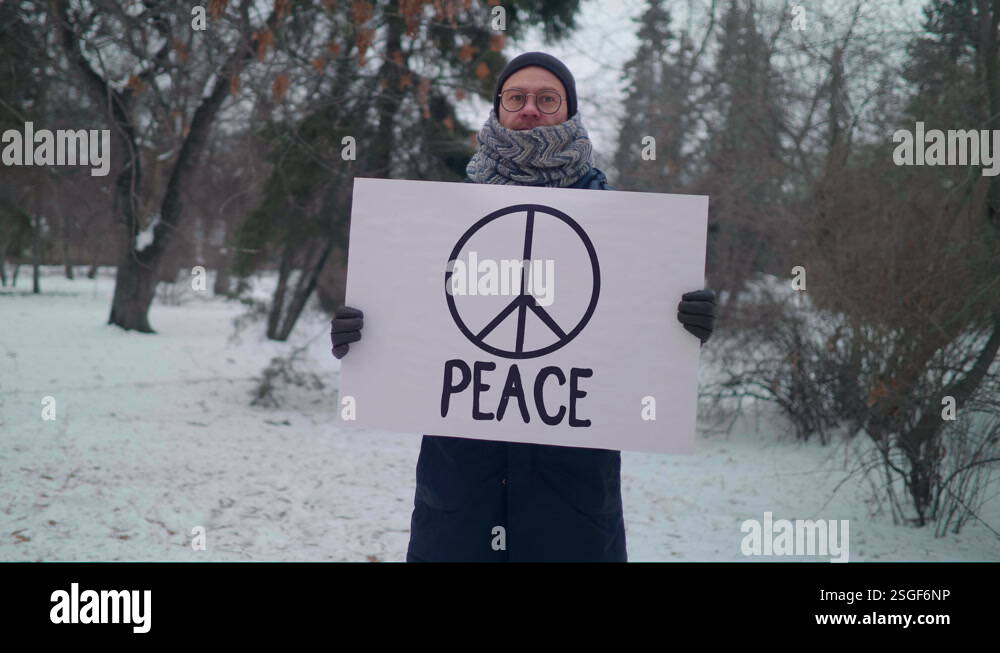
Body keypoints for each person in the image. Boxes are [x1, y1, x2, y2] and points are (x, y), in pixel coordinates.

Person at [331, 52, 716, 562]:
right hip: (459, 490)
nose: (530, 109)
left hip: (572, 498)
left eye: (547, 98)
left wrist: (685, 323)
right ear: (497, 110)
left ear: (570, 113)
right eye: (516, 97)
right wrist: (362, 334)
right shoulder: (438, 220)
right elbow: (412, 334)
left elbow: (636, 343)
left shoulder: (621, 225)